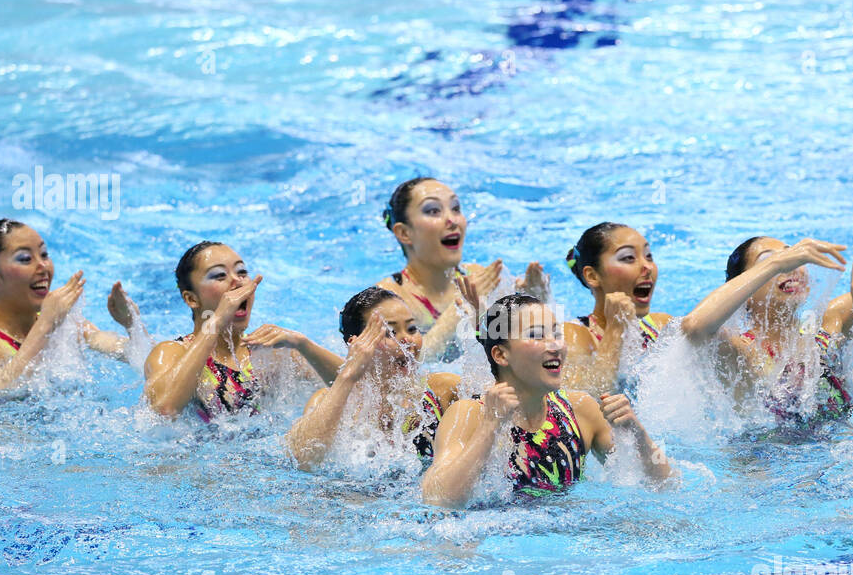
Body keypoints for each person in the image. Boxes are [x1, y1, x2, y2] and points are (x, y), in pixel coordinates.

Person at [422, 293, 673, 507]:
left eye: (556, 334)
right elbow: (438, 498)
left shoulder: (580, 410)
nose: (555, 346)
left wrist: (637, 431)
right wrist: (491, 427)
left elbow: (665, 484)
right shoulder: (470, 414)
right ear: (500, 354)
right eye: (537, 335)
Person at [561, 222, 848, 396]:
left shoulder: (661, 325)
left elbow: (702, 328)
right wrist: (615, 330)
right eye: (628, 258)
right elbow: (591, 393)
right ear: (592, 276)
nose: (647, 266)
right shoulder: (573, 335)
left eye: (649, 256)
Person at [714, 236, 853, 427]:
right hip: (765, 465)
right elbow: (691, 328)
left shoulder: (828, 324)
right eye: (769, 261)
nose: (791, 266)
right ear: (745, 290)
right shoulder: (737, 349)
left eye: (792, 256)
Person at [143, 241, 342, 421]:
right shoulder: (172, 352)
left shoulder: (271, 353)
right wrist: (217, 321)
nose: (237, 281)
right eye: (220, 275)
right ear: (191, 299)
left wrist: (302, 344)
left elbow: (360, 389)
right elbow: (164, 407)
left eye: (242, 272)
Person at [0, 219, 142, 394]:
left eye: (44, 254)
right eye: (25, 258)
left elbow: (141, 358)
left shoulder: (66, 324)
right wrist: (46, 324)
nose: (43, 266)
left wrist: (132, 325)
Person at [285, 287, 464, 469]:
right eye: (389, 333)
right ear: (357, 344)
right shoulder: (326, 401)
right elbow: (302, 460)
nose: (407, 340)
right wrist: (348, 375)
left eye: (411, 328)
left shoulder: (442, 390)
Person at [376, 176, 545, 360]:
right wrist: (460, 307)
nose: (452, 220)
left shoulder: (479, 276)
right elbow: (411, 364)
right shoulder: (388, 298)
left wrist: (536, 298)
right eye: (433, 211)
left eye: (456, 208)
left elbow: (515, 347)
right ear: (403, 233)